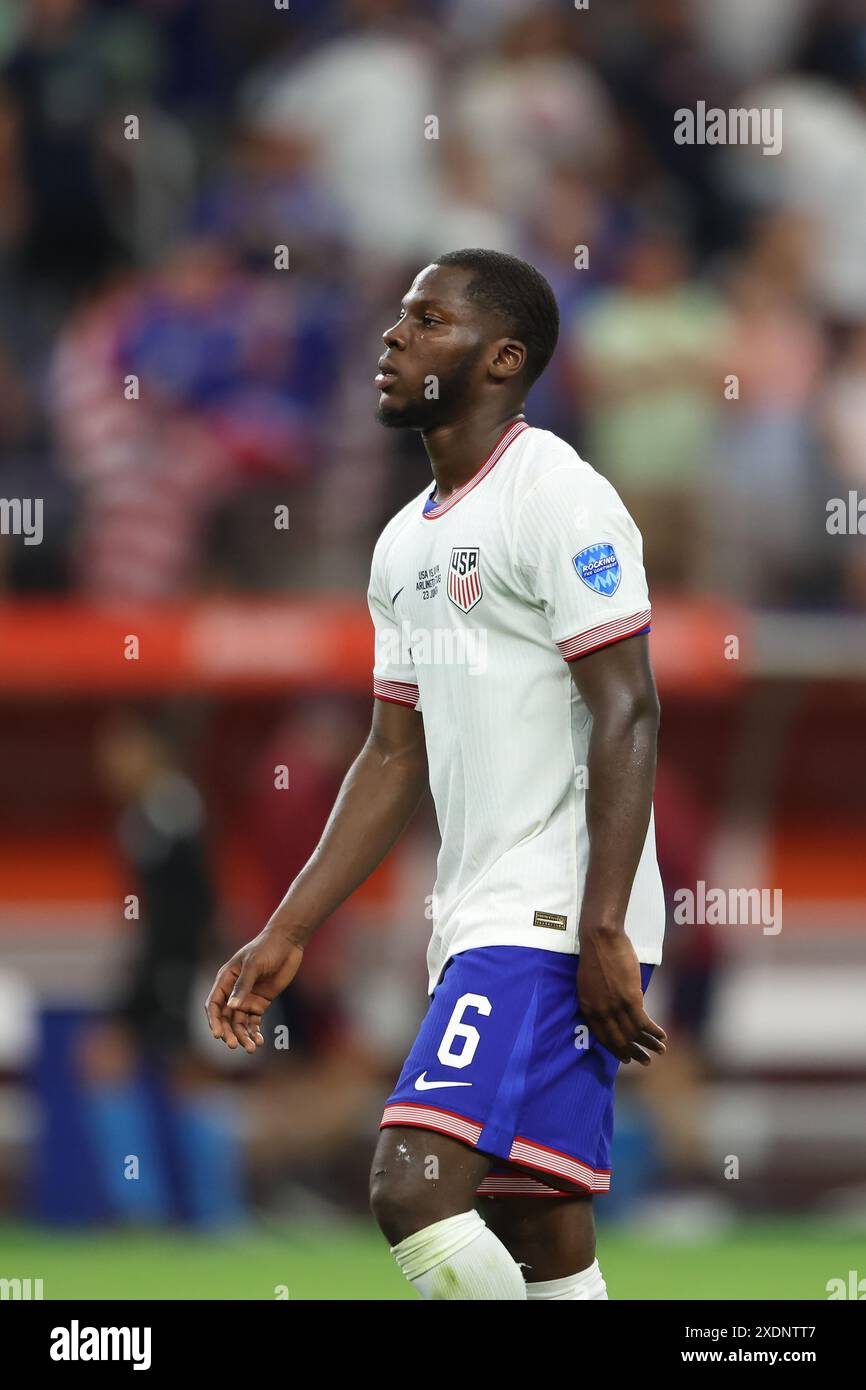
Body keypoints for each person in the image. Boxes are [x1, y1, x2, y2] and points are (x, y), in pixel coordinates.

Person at [206, 249, 667, 1300]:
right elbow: (389, 751)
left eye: (427, 320)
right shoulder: (400, 545)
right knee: (534, 1221)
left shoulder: (557, 496)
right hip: (477, 913)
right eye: (398, 318)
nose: (392, 336)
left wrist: (602, 923)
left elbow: (628, 707)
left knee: (409, 1184)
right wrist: (289, 925)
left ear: (501, 358)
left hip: (550, 913)